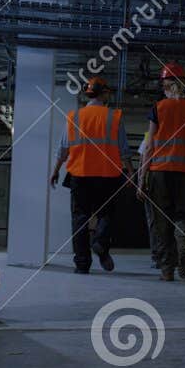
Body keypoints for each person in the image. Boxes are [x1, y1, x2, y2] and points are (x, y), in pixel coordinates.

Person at [50, 77, 130, 274]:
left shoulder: (74, 117)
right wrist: (131, 172)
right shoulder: (114, 117)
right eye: (108, 92)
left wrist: (55, 171)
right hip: (107, 175)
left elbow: (63, 148)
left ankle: (82, 264)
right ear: (103, 93)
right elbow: (123, 150)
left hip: (80, 174)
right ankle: (101, 243)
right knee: (106, 214)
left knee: (80, 218)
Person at [138, 63, 185, 281]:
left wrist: (141, 178)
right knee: (184, 216)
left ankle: (167, 270)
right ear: (183, 84)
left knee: (162, 221)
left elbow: (149, 145)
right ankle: (183, 243)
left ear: (165, 85)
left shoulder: (158, 108)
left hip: (161, 172)